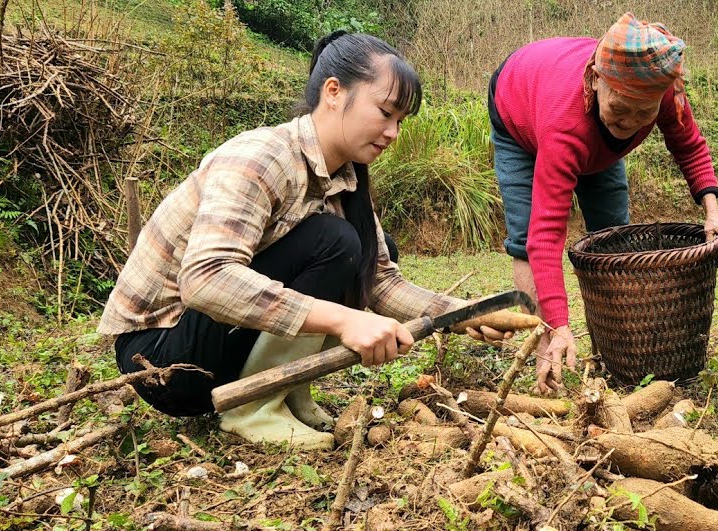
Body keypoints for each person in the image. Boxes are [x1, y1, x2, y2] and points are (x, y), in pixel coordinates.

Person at [98, 31, 530, 450]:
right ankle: (252, 408)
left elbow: (379, 281)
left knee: (365, 251)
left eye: (400, 121)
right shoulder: (260, 157)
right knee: (335, 241)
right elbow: (206, 279)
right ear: (334, 91)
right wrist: (345, 321)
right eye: (385, 112)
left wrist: (460, 314)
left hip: (208, 345)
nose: (393, 132)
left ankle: (287, 390)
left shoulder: (345, 180)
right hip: (162, 360)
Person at [488, 12, 718, 394]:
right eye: (620, 109)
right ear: (596, 80)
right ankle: (546, 351)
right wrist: (559, 325)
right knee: (524, 237)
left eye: (642, 113)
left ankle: (618, 350)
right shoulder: (564, 127)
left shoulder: (658, 87)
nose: (630, 122)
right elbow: (545, 236)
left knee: (614, 240)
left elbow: (689, 145)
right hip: (517, 104)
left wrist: (712, 213)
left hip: (585, 128)